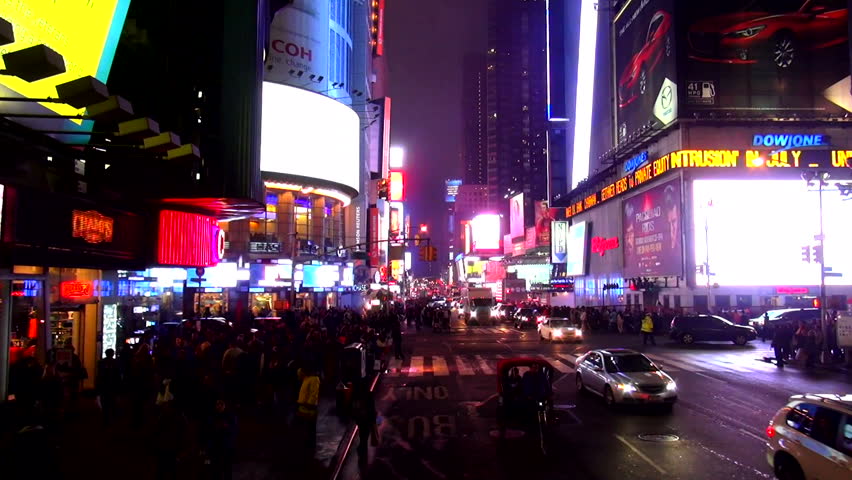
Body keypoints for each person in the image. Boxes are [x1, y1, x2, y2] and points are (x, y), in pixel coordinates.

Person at [351, 379, 378, 467]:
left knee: (363, 436)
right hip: (367, 419)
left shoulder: (356, 395)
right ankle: (362, 452)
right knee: (364, 437)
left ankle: (362, 453)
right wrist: (374, 420)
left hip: (360, 419)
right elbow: (372, 409)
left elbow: (353, 407)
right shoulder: (369, 395)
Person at [295, 366, 320, 454]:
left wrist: (309, 404)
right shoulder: (305, 378)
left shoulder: (314, 379)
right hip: (302, 408)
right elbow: (299, 374)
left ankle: (310, 448)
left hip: (309, 409)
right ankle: (306, 446)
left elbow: (313, 394)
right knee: (306, 429)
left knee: (310, 429)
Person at [97, 348, 121, 425]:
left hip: (104, 385)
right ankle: (113, 417)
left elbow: (99, 374)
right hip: (112, 385)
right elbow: (118, 375)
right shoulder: (116, 362)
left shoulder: (101, 362)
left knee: (105, 402)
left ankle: (105, 418)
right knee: (112, 402)